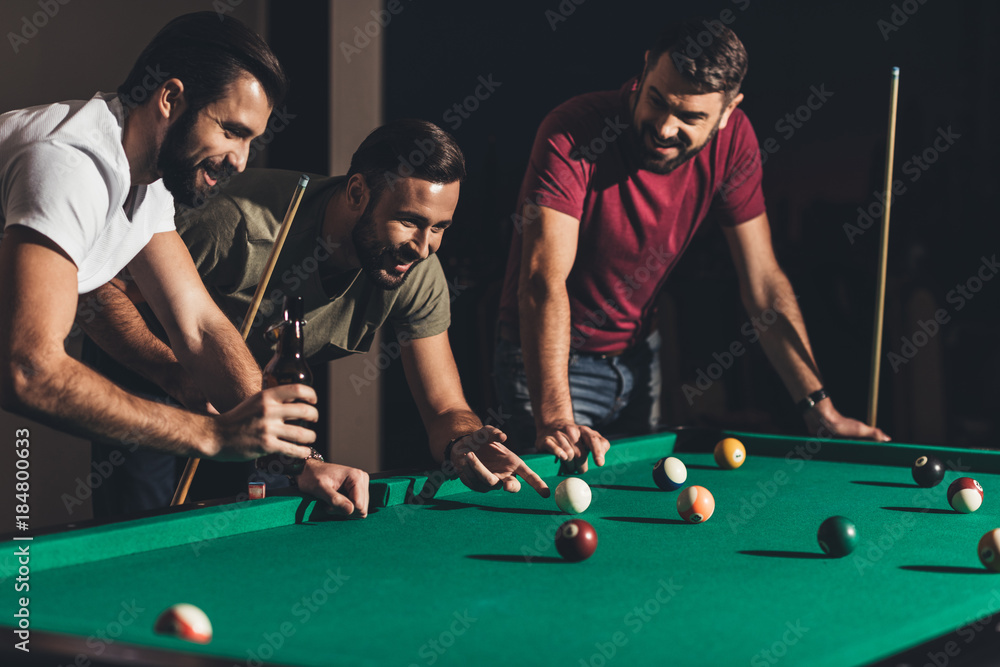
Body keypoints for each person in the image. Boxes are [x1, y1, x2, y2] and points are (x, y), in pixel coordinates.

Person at [83, 119, 550, 516]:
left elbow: (445, 407)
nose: (424, 247)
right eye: (409, 220)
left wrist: (462, 443)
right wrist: (176, 374)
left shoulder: (417, 270)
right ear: (356, 192)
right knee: (145, 535)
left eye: (440, 228)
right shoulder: (234, 224)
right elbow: (98, 294)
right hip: (152, 378)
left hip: (256, 399)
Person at [495, 19, 890, 472]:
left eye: (690, 117)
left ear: (727, 112)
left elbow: (763, 282)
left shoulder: (736, 142)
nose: (664, 128)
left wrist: (820, 410)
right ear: (645, 70)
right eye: (657, 100)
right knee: (547, 516)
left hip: (641, 355)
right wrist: (557, 418)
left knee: (634, 511)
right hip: (551, 362)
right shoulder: (572, 131)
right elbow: (543, 279)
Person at [0, 13, 353, 512]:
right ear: (170, 99)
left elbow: (199, 326)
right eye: (232, 130)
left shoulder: (146, 177)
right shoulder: (70, 166)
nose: (241, 161)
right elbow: (30, 371)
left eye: (251, 140)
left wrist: (301, 460)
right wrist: (212, 435)